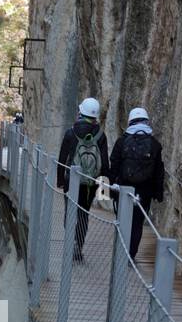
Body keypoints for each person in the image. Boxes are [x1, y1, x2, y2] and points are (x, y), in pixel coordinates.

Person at [56, 97, 110, 261]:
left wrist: (60, 180)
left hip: (70, 180)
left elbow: (62, 159)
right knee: (83, 214)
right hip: (90, 183)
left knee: (70, 212)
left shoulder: (70, 132)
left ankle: (71, 242)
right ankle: (78, 246)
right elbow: (105, 164)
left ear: (81, 112)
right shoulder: (101, 135)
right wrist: (103, 191)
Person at [109, 107, 165, 258]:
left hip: (123, 188)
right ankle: (131, 255)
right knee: (137, 224)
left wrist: (111, 190)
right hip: (144, 191)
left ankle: (120, 252)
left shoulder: (122, 142)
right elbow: (159, 171)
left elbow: (114, 164)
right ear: (146, 122)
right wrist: (158, 193)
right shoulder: (155, 145)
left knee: (123, 221)